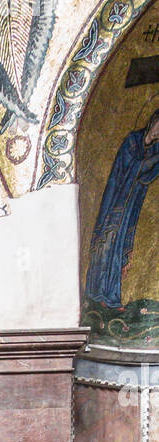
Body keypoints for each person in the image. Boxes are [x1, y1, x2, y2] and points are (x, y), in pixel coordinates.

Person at [85, 109, 159, 311]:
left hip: (130, 205)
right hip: (116, 201)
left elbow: (147, 175)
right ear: (153, 121)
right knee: (107, 245)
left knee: (119, 248)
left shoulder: (155, 150)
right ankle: (97, 293)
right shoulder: (133, 141)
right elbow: (130, 167)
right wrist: (150, 162)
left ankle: (112, 297)